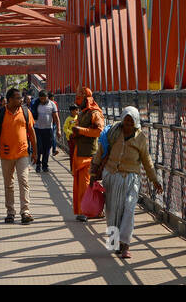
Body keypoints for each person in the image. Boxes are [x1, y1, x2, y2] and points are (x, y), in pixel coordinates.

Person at [90, 106, 161, 260]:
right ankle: (115, 242)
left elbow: (147, 161)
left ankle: (125, 245)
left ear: (136, 122)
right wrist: (93, 172)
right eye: (126, 120)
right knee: (113, 211)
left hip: (131, 178)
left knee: (129, 210)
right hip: (112, 176)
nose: (128, 124)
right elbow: (100, 152)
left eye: (132, 121)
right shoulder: (113, 133)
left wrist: (154, 179)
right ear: (122, 120)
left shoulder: (140, 138)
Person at [0, 87, 38, 224]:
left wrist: (35, 151)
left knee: (24, 181)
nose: (20, 100)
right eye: (17, 98)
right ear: (9, 99)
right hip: (6, 154)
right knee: (8, 184)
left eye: (21, 97)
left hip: (23, 153)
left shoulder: (26, 112)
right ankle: (10, 212)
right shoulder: (0, 113)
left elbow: (32, 132)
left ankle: (25, 212)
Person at [68, 86, 105, 222]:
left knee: (86, 184)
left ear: (86, 99)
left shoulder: (94, 112)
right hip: (79, 153)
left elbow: (99, 131)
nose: (77, 101)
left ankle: (88, 211)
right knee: (80, 184)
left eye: (80, 98)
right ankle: (84, 210)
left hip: (89, 155)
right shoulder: (83, 112)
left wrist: (81, 130)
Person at [31, 90, 59, 172]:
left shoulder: (52, 104)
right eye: (41, 99)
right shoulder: (36, 104)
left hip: (48, 129)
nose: (42, 100)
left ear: (47, 97)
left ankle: (45, 165)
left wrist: (58, 130)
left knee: (47, 148)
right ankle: (38, 164)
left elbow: (56, 118)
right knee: (39, 147)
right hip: (37, 129)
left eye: (44, 98)